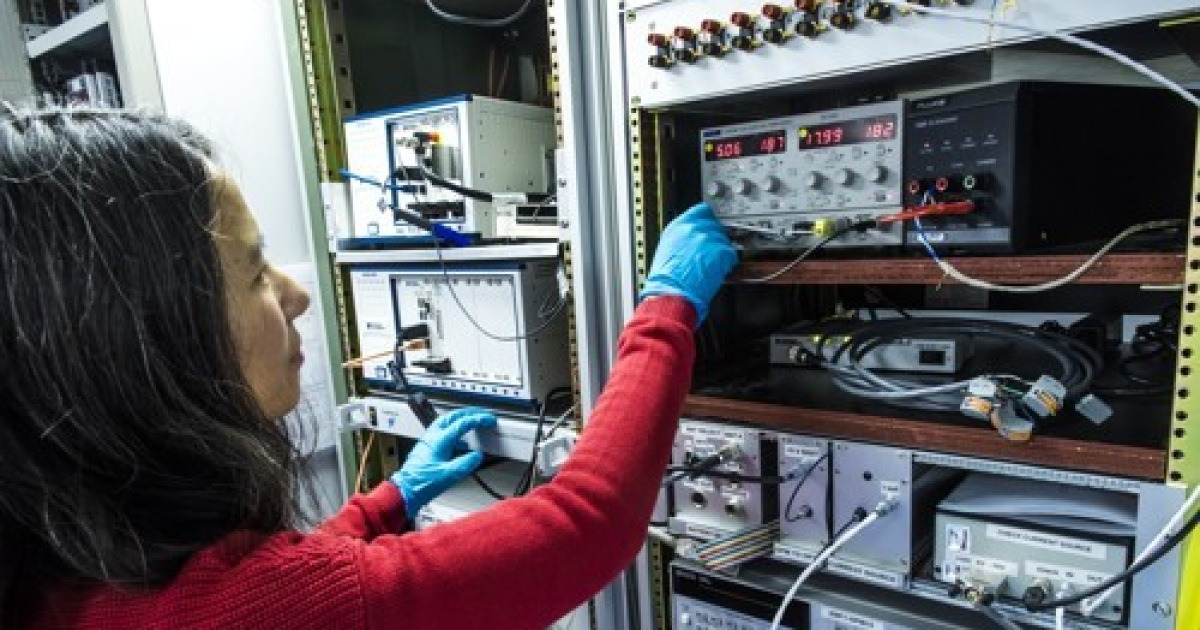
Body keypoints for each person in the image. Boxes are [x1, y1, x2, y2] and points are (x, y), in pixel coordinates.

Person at [0, 106, 737, 629]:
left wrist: (390, 501)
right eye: (255, 272)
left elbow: (253, 595)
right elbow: (588, 524)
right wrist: (664, 310)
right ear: (148, 342)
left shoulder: (65, 572)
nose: (295, 296)